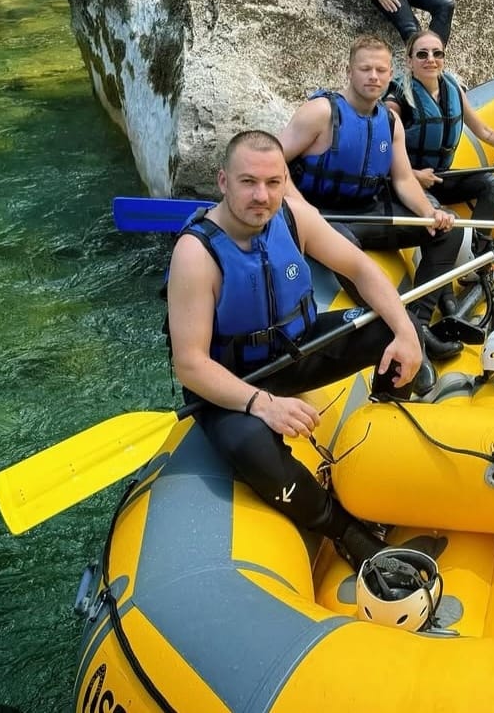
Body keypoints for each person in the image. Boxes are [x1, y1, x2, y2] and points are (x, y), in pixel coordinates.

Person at [165, 130, 426, 571]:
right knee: (254, 447)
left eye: (274, 182)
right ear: (223, 182)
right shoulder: (195, 255)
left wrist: (405, 331)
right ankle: (343, 530)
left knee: (393, 327)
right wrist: (262, 405)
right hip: (234, 380)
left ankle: (384, 428)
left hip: (297, 346)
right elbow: (190, 364)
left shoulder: (293, 217)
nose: (261, 196)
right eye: (248, 182)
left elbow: (360, 268)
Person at [279, 35, 465, 361]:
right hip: (322, 215)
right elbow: (273, 162)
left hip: (367, 210)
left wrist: (429, 213)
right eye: (365, 69)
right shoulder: (320, 112)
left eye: (381, 70)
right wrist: (303, 210)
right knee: (347, 248)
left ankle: (418, 323)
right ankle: (412, 337)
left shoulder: (390, 122)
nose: (373, 77)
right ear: (348, 71)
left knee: (451, 231)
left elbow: (405, 180)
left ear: (390, 73)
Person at [384, 29, 494, 242]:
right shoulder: (397, 99)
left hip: (440, 177)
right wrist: (416, 175)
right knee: (445, 226)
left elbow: (484, 131)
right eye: (422, 54)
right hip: (407, 182)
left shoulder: (451, 87)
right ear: (410, 61)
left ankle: (478, 253)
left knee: (492, 184)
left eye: (437, 54)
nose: (431, 59)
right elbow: (380, 150)